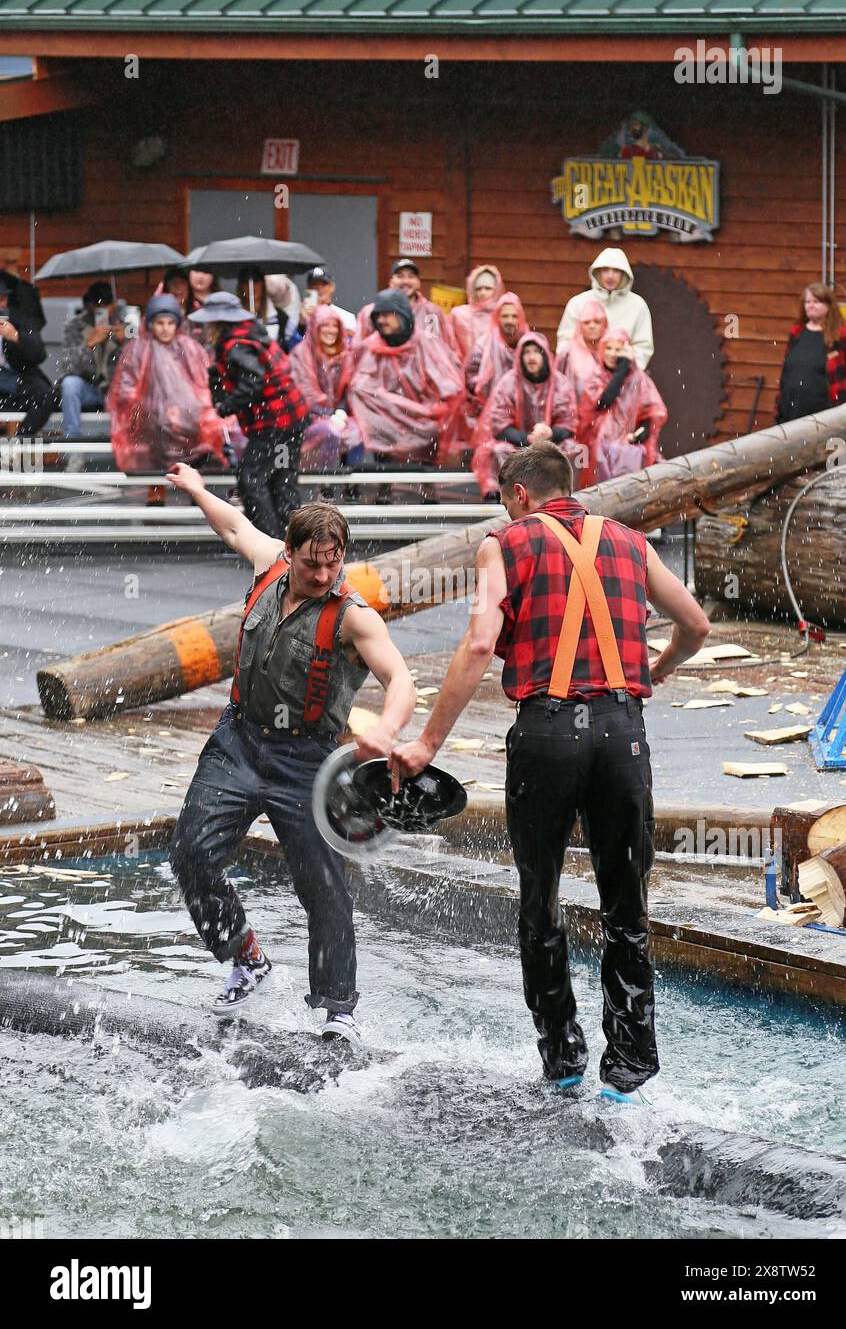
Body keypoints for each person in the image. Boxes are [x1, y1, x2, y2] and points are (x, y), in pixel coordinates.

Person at [390, 440, 710, 1101]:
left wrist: (424, 743)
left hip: (548, 736)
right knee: (627, 906)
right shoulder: (628, 540)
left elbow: (481, 642)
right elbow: (696, 624)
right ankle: (627, 1077)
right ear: (572, 484)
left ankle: (563, 1063)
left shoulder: (503, 543)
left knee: (541, 899)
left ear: (516, 496)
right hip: (622, 736)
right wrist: (654, 672)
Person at [164, 478, 416, 1039]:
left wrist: (389, 731)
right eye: (311, 564)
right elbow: (231, 524)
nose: (323, 575)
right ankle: (246, 958)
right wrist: (198, 488)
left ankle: (337, 1012)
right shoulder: (266, 566)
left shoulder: (354, 616)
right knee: (189, 853)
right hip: (239, 742)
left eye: (333, 564)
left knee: (324, 889)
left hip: (308, 761)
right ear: (288, 550)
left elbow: (400, 678)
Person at [188, 291, 308, 537]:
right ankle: (293, 542)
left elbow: (252, 382)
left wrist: (227, 406)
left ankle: (268, 541)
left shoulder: (237, 345)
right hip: (290, 420)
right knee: (281, 479)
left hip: (274, 424)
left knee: (250, 480)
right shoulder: (252, 336)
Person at [107, 294, 226, 506]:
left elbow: (201, 382)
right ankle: (156, 491)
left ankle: (193, 488)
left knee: (195, 436)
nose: (165, 328)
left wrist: (194, 408)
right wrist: (139, 406)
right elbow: (126, 385)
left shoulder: (189, 348)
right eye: (160, 323)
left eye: (170, 323)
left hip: (186, 413)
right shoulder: (137, 349)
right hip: (149, 416)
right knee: (156, 435)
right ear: (151, 323)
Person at [347, 287, 465, 498]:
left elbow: (448, 382)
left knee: (431, 430)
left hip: (422, 415)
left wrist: (427, 409)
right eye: (378, 316)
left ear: (401, 314)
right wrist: (391, 403)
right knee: (376, 424)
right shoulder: (372, 347)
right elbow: (361, 386)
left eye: (387, 314)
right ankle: (386, 485)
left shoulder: (426, 343)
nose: (382, 320)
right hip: (386, 417)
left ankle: (428, 487)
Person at [472, 332, 581, 500]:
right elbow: (499, 424)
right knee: (497, 450)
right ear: (520, 357)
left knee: (577, 450)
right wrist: (527, 439)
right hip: (517, 445)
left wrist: (551, 434)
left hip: (552, 444)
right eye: (526, 352)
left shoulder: (560, 383)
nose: (531, 357)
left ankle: (566, 497)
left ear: (545, 355)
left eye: (536, 352)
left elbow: (569, 421)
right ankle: (509, 497)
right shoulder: (508, 382)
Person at [578, 330, 667, 487]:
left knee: (635, 456)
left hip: (629, 440)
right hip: (598, 440)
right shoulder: (596, 376)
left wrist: (640, 434)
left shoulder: (639, 378)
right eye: (609, 348)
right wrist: (621, 370)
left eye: (618, 349)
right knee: (603, 453)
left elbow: (654, 412)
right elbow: (603, 402)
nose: (612, 354)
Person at [289, 304, 363, 476]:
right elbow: (302, 393)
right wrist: (327, 414)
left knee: (360, 431)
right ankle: (326, 482)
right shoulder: (300, 354)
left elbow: (350, 386)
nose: (331, 330)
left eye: (334, 325)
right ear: (315, 327)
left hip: (338, 414)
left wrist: (341, 411)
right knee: (329, 431)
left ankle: (352, 486)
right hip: (307, 417)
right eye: (325, 325)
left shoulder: (346, 354)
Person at [776, 282, 846, 424]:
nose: (810, 305)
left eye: (816, 301)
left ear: (829, 305)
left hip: (829, 417)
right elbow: (786, 374)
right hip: (793, 414)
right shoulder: (797, 332)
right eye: (807, 302)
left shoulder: (843, 335)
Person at [57, 280, 129, 458]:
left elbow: (139, 362)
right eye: (99, 306)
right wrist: (89, 343)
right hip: (88, 388)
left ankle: (129, 451)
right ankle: (74, 451)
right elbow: (67, 366)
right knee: (70, 384)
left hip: (116, 390)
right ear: (89, 306)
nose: (103, 310)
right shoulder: (75, 326)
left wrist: (126, 341)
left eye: (107, 305)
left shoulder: (127, 326)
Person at [556, 248, 654, 369]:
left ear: (624, 274)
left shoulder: (638, 305)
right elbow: (565, 341)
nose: (610, 276)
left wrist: (627, 371)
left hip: (622, 377)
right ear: (598, 272)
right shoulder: (578, 303)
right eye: (605, 270)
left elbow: (643, 346)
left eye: (616, 271)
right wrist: (580, 369)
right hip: (583, 377)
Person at [0, 273, 54, 436]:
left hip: (16, 377)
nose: (1, 304)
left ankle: (20, 440)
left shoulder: (20, 320)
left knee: (44, 395)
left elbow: (39, 354)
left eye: (3, 299)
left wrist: (16, 337)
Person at [356, 258, 454, 348]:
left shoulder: (433, 312)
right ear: (391, 282)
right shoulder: (371, 312)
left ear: (418, 282)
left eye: (411, 276)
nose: (406, 281)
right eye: (400, 276)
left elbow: (446, 347)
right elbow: (359, 347)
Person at [464, 292, 527, 410]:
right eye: (505, 316)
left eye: (514, 316)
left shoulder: (529, 345)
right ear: (497, 318)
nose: (510, 321)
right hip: (488, 410)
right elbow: (470, 379)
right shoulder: (482, 345)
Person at [448, 264, 504, 363]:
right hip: (464, 372)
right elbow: (449, 345)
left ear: (496, 289)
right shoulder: (459, 314)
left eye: (488, 288)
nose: (482, 292)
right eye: (478, 289)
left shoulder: (504, 315)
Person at [556, 299, 608, 400]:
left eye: (597, 322)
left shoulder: (613, 350)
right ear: (580, 326)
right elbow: (556, 384)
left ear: (604, 325)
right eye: (587, 322)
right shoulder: (567, 352)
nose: (592, 326)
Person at [303, 267, 356, 336]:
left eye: (324, 284)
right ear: (308, 289)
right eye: (314, 284)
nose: (319, 288)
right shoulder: (301, 316)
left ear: (332, 287)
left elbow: (353, 343)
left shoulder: (347, 317)